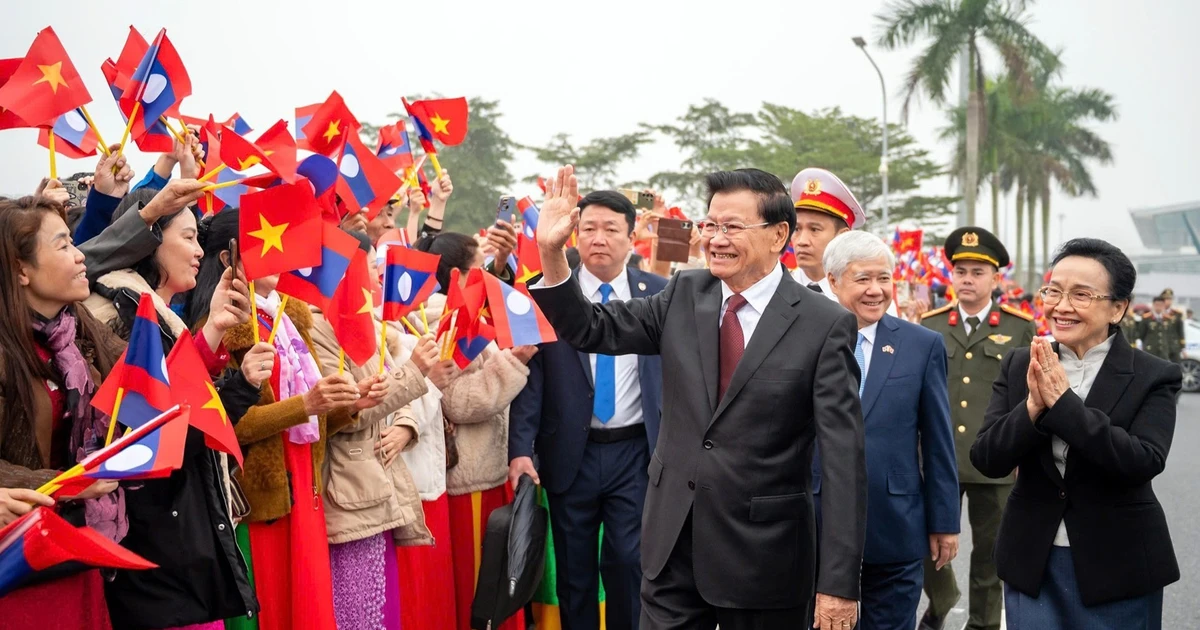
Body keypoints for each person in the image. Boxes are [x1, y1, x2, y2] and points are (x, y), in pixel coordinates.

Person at [531, 165, 866, 630]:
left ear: (777, 235)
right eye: (710, 225)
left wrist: (837, 584)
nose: (715, 238)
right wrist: (551, 252)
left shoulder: (823, 324)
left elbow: (843, 461)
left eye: (732, 227)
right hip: (672, 549)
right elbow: (590, 327)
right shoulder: (685, 293)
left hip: (764, 560)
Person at [971, 238, 1180, 628]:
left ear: (1117, 308)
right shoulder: (1020, 363)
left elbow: (1142, 460)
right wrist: (1033, 407)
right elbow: (987, 458)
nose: (1061, 306)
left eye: (1081, 295)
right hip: (1033, 559)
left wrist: (1064, 404)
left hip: (1119, 564)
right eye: (1054, 290)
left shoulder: (1154, 374)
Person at [192, 210, 386, 630]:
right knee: (278, 609)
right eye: (265, 245)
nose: (280, 255)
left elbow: (312, 422)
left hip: (306, 488)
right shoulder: (219, 330)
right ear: (229, 261)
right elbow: (228, 426)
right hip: (265, 500)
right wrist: (305, 405)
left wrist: (351, 405)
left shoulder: (291, 319)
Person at [81, 199, 262, 629]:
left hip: (183, 525)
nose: (199, 250)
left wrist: (215, 326)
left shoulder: (156, 312)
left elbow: (176, 394)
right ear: (149, 241)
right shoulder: (119, 313)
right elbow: (158, 428)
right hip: (156, 539)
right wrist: (240, 390)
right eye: (187, 237)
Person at [508, 190, 667, 630]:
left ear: (632, 237)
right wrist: (520, 447)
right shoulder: (547, 292)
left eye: (611, 229)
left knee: (628, 563)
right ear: (575, 234)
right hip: (570, 452)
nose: (599, 238)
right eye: (589, 228)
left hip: (636, 452)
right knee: (575, 572)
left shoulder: (658, 293)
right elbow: (530, 380)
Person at [820, 232, 960, 630]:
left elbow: (938, 442)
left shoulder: (922, 344)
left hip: (896, 520)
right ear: (833, 280)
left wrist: (945, 521)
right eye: (863, 279)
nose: (876, 290)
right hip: (818, 519)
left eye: (884, 279)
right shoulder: (805, 338)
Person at [0, 196, 124, 630]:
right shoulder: (6, 351)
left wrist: (214, 333)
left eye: (74, 242)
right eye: (63, 245)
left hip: (76, 549)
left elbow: (144, 381)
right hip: (20, 569)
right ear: (21, 269)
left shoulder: (78, 328)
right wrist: (71, 485)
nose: (79, 255)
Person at [308, 231, 437, 630]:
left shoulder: (363, 323)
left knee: (379, 609)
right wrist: (414, 370)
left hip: (372, 487)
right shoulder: (316, 329)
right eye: (369, 270)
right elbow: (352, 410)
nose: (377, 281)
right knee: (358, 613)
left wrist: (405, 423)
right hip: (348, 488)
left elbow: (384, 398)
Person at [414, 230, 534, 630]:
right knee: (480, 586)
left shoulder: (468, 315)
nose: (487, 276)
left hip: (487, 471)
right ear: (458, 278)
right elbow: (459, 403)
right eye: (479, 268)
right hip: (469, 480)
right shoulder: (445, 321)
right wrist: (514, 363)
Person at [918, 227, 1036, 630]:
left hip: (995, 459)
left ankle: (983, 623)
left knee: (991, 552)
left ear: (995, 279)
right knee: (925, 543)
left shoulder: (1020, 329)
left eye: (977, 272)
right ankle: (942, 598)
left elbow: (1029, 398)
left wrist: (1025, 452)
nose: (967, 279)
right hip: (939, 458)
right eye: (961, 271)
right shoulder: (930, 325)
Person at [787, 167, 863, 297]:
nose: (801, 241)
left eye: (814, 229)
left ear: (842, 236)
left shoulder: (861, 296)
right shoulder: (775, 290)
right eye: (797, 229)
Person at [1139, 295, 1184, 364]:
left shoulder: (1168, 319)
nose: (1158, 307)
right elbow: (1141, 334)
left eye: (1160, 305)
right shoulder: (1146, 318)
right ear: (1153, 305)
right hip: (1150, 350)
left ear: (1163, 306)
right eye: (1157, 305)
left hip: (1164, 351)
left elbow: (1170, 335)